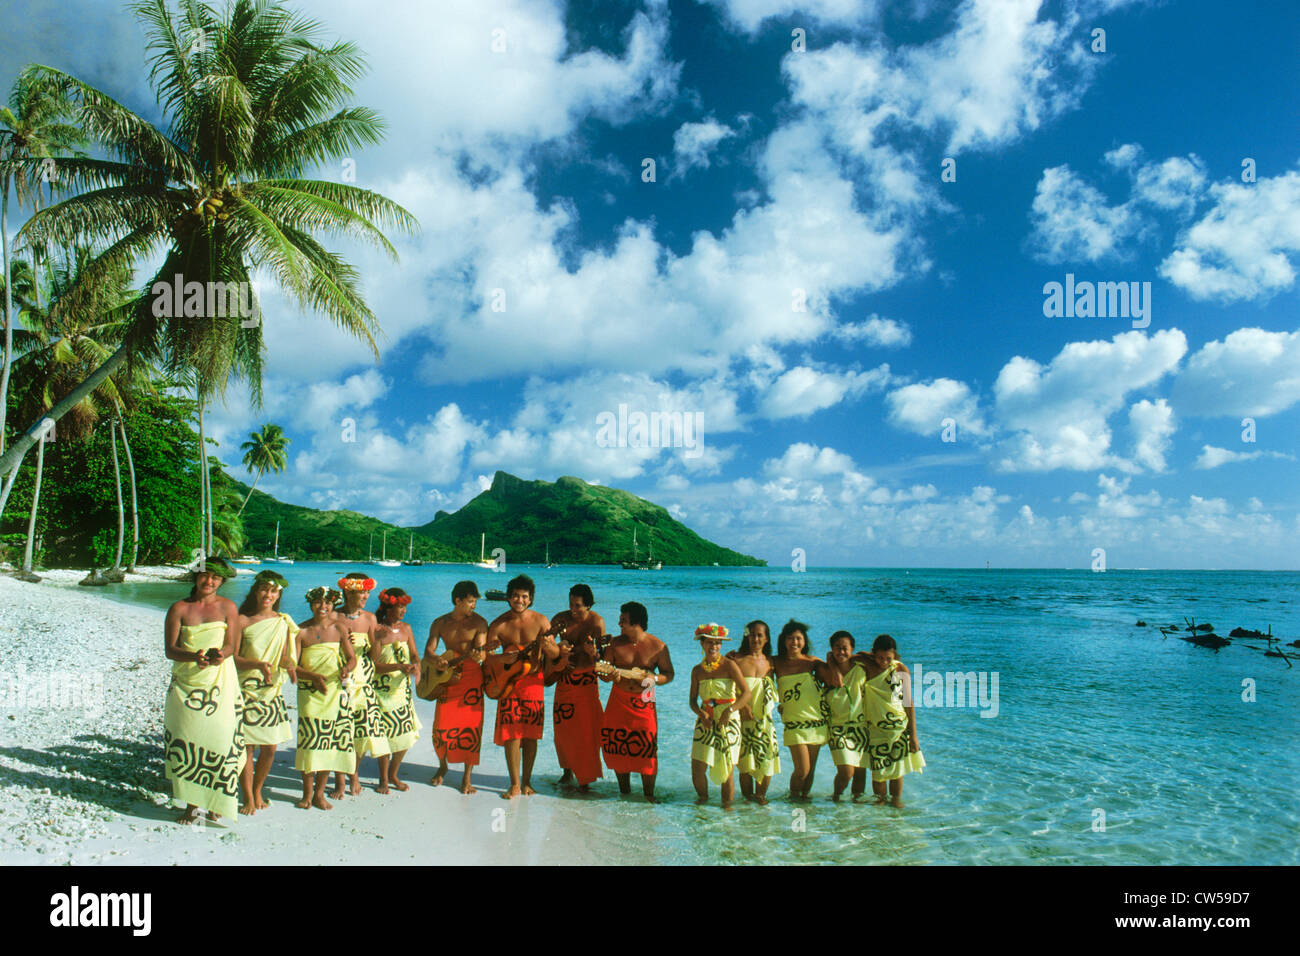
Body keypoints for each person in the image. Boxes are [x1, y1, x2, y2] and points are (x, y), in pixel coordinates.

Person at [162, 556, 245, 824]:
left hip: (220, 683)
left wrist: (221, 654)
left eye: (216, 578)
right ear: (196, 576)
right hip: (186, 685)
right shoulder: (179, 609)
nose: (209, 582)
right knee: (189, 740)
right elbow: (170, 650)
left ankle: (217, 801)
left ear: (222, 581)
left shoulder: (228, 607)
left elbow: (232, 645)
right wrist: (193, 657)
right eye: (205, 575)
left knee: (218, 740)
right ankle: (191, 805)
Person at [485, 574, 560, 799]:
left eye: (524, 596)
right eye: (516, 596)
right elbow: (487, 658)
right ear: (508, 598)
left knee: (530, 735)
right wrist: (501, 660)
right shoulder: (498, 624)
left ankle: (527, 781)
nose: (519, 600)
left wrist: (549, 648)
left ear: (530, 599)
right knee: (511, 734)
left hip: (533, 682)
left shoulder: (541, 622)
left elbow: (555, 654)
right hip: (508, 683)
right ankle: (515, 783)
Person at [233, 569, 297, 815]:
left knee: (270, 747)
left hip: (272, 690)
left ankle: (258, 789)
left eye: (273, 591)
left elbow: (283, 656)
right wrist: (258, 665)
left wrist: (289, 665)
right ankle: (248, 795)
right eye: (264, 589)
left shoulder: (282, 621)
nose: (268, 595)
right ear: (255, 591)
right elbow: (234, 657)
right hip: (246, 689)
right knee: (247, 746)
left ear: (278, 594)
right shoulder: (242, 620)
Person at [598, 601, 673, 802]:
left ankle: (649, 796)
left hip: (645, 701)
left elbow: (669, 674)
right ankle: (624, 793)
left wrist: (653, 678)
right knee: (616, 745)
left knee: (647, 747)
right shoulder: (615, 644)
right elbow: (603, 674)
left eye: (624, 620)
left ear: (636, 622)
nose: (619, 623)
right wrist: (611, 675)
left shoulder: (658, 646)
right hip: (618, 700)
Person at [293, 586, 356, 810]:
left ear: (333, 605)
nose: (323, 607)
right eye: (318, 603)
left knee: (328, 743)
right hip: (310, 693)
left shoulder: (339, 628)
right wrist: (311, 677)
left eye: (328, 603)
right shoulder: (301, 631)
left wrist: (347, 669)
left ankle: (319, 794)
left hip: (334, 692)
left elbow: (352, 658)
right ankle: (306, 794)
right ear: (311, 604)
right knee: (310, 742)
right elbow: (293, 666)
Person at [426, 581, 488, 794]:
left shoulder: (479, 623)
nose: (474, 606)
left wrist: (480, 655)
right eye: (470, 602)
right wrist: (437, 661)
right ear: (458, 601)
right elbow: (429, 651)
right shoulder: (440, 622)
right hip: (447, 676)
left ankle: (467, 777)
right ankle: (443, 766)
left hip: (471, 677)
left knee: (471, 728)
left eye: (475, 602)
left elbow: (482, 652)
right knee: (441, 726)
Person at [332, 572, 390, 797]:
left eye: (367, 592)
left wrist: (379, 639)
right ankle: (340, 782)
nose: (366, 596)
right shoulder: (334, 616)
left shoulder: (369, 618)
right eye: (361, 592)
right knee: (341, 731)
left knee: (362, 732)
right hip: (340, 678)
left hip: (364, 679)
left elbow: (373, 656)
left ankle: (353, 773)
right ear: (348, 592)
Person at [771, 619, 841, 801]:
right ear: (783, 640)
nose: (794, 642)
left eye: (798, 638)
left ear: (804, 641)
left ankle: (804, 804)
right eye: (790, 638)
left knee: (810, 771)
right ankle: (792, 798)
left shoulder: (812, 663)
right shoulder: (776, 662)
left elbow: (836, 682)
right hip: (793, 723)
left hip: (816, 722)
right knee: (802, 770)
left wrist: (830, 660)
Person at [546, 583, 605, 790]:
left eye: (578, 605)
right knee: (563, 731)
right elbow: (547, 647)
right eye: (571, 603)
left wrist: (593, 653)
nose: (572, 608)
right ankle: (567, 772)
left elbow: (603, 657)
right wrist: (558, 649)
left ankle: (586, 777)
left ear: (588, 605)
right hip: (565, 679)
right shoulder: (559, 619)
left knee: (587, 731)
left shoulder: (596, 622)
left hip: (587, 680)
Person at [856, 634, 926, 807]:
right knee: (878, 771)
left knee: (897, 772)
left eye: (888, 658)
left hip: (899, 727)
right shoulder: (868, 667)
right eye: (879, 657)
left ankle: (896, 803)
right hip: (875, 729)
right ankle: (880, 806)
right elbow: (854, 655)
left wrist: (914, 736)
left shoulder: (901, 669)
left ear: (895, 654)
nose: (884, 662)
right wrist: (868, 656)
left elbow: (909, 703)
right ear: (873, 654)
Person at [689, 624, 752, 806]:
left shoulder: (729, 665)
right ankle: (702, 803)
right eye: (709, 642)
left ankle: (727, 808)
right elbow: (692, 701)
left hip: (728, 720)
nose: (714, 647)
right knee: (698, 767)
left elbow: (746, 693)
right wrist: (701, 714)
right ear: (702, 644)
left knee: (726, 768)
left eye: (717, 643)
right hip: (705, 719)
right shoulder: (697, 671)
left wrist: (730, 710)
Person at [372, 587, 423, 794]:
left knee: (406, 735)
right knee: (384, 737)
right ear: (387, 608)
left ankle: (394, 773)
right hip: (382, 691)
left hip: (402, 690)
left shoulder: (407, 629)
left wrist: (416, 667)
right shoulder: (377, 630)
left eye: (404, 607)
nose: (403, 611)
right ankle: (383, 779)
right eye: (399, 607)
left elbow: (414, 655)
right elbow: (374, 665)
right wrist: (398, 667)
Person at [732, 620, 781, 804]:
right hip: (743, 718)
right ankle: (746, 799)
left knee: (767, 760)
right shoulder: (736, 661)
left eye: (760, 635)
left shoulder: (772, 663)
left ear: (767, 639)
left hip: (765, 721)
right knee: (744, 762)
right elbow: (729, 689)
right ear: (746, 636)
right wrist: (742, 706)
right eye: (752, 634)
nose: (756, 638)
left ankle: (761, 797)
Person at [825, 630, 869, 802]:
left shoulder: (862, 668)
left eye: (845, 648)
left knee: (860, 771)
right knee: (846, 772)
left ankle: (856, 809)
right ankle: (836, 798)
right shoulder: (825, 671)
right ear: (831, 649)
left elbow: (883, 659)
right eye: (837, 648)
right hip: (837, 728)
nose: (841, 652)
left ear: (852, 649)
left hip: (861, 727)